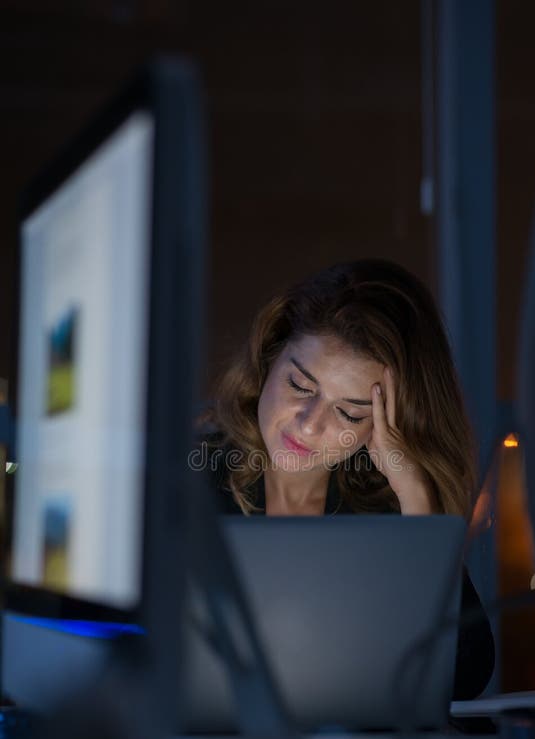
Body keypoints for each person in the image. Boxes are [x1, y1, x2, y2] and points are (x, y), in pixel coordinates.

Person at [196, 259, 495, 700]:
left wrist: (416, 499)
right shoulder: (188, 477)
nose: (310, 424)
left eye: (349, 412)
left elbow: (464, 672)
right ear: (270, 357)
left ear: (380, 424)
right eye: (300, 385)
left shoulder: (385, 507)